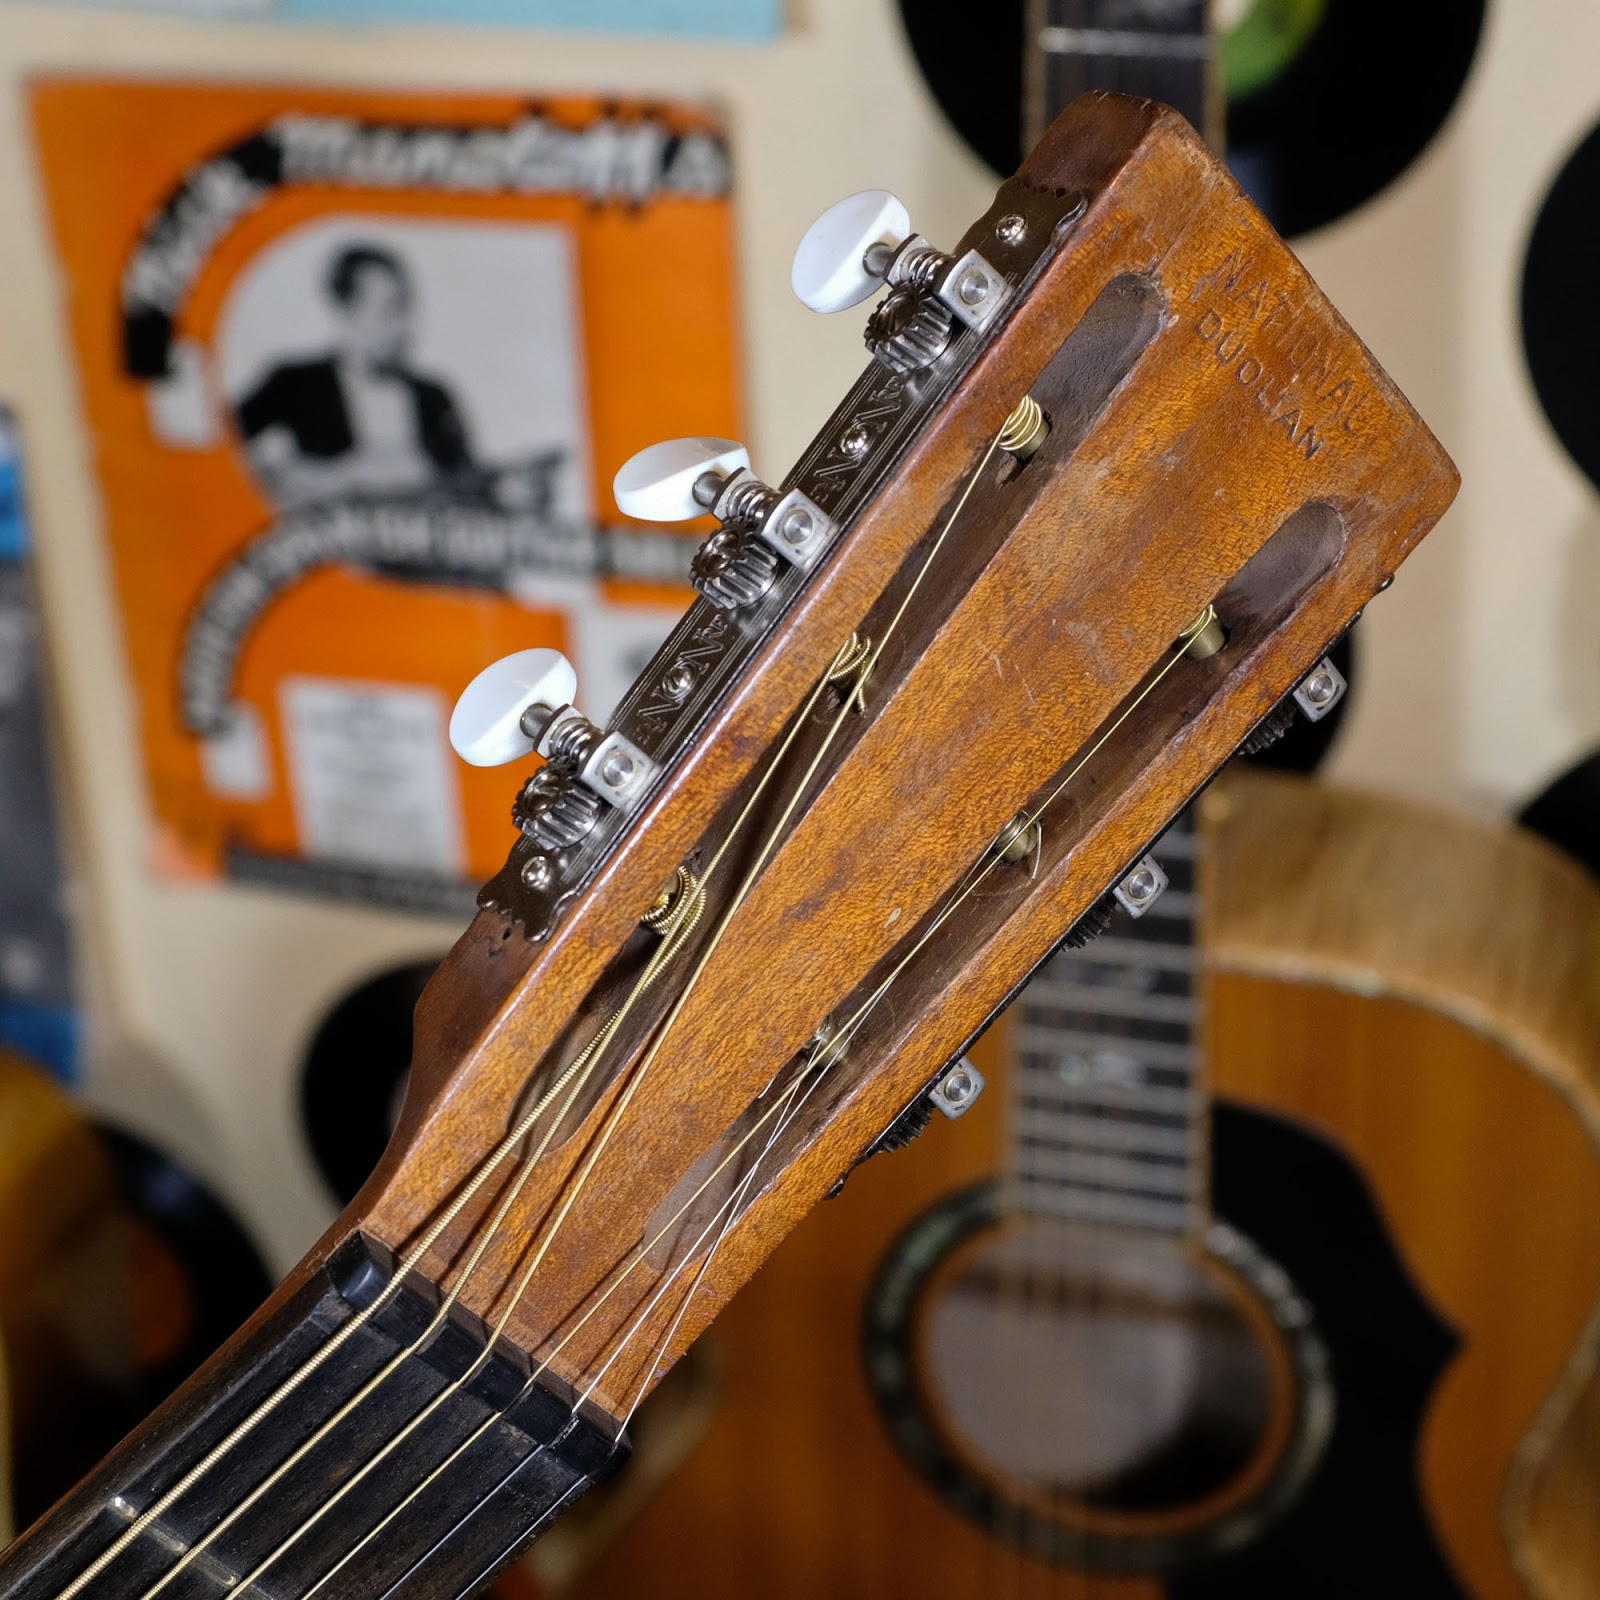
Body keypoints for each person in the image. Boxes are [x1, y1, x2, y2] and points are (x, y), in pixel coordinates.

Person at [235, 244, 472, 510]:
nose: (404, 326)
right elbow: (217, 445)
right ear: (345, 313)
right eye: (388, 310)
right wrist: (334, 477)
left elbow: (470, 483)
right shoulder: (295, 383)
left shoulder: (435, 397)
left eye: (405, 308)